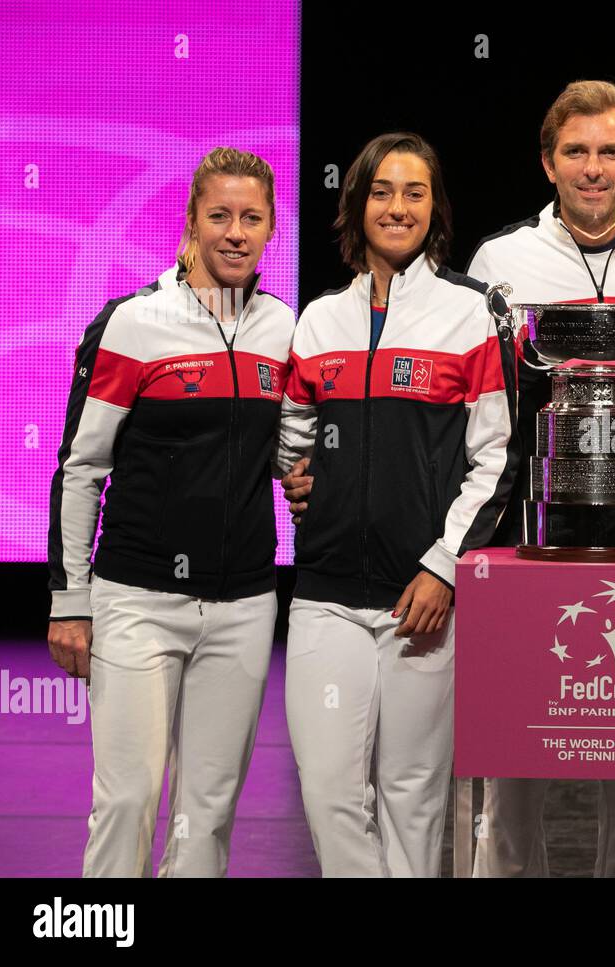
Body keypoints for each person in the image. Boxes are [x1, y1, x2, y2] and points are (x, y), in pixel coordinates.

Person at [466, 80, 615, 877]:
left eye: (610, 152)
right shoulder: (499, 259)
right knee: (512, 750)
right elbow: (480, 398)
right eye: (576, 152)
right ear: (547, 162)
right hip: (530, 527)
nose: (592, 169)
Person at [47, 147, 294, 877]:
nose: (234, 232)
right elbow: (80, 467)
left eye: (252, 217)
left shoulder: (283, 330)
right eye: (219, 215)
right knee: (127, 802)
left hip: (245, 602)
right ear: (190, 222)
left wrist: (308, 478)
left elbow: (287, 454)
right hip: (137, 598)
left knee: (206, 816)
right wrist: (70, 600)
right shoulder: (131, 323)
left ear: (272, 227)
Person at [276, 132, 517, 876]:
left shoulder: (472, 313)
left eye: (415, 192)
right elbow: (291, 434)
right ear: (358, 204)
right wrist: (300, 474)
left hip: (423, 601)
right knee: (329, 790)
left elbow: (497, 456)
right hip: (326, 597)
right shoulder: (318, 320)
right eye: (381, 190)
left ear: (434, 208)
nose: (397, 206)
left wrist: (443, 567)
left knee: (413, 799)